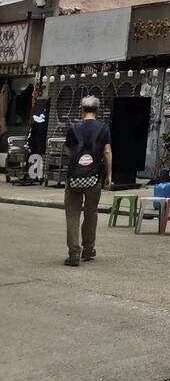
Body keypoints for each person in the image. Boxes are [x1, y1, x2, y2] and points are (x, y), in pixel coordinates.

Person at [63, 95, 112, 267]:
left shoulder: (73, 128)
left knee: (72, 214)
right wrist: (109, 175)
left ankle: (73, 254)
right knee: (91, 213)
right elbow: (107, 152)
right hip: (93, 178)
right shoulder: (104, 128)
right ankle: (89, 249)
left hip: (74, 178)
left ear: (81, 110)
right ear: (97, 111)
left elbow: (67, 150)